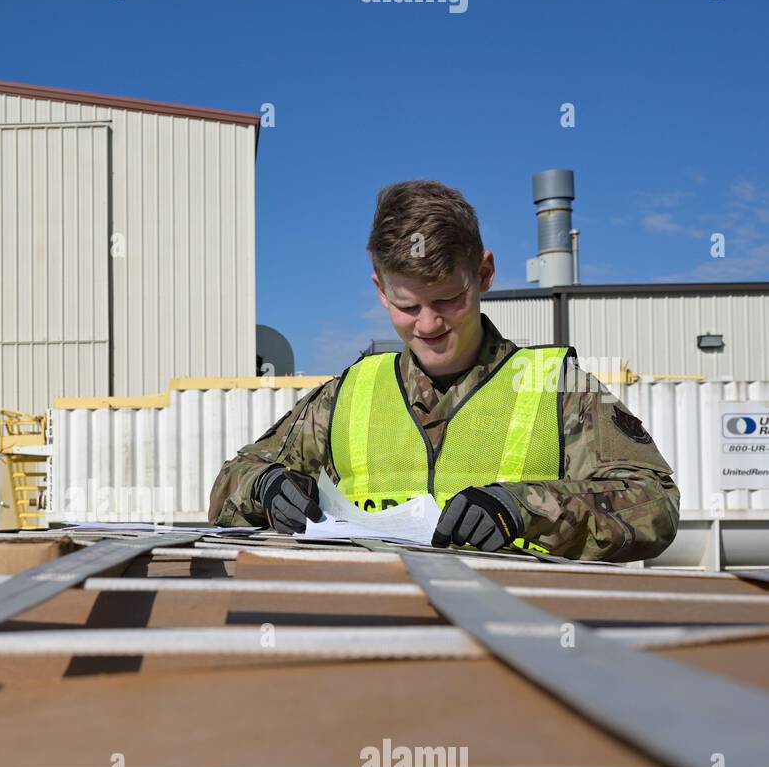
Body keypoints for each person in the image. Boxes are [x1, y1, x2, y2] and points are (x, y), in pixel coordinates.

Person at [209, 180, 679, 561]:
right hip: (371, 639)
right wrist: (267, 489)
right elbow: (233, 479)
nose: (429, 324)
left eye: (449, 299)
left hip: (520, 640)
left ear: (485, 273)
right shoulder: (348, 394)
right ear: (380, 289)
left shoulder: (556, 386)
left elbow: (653, 503)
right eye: (407, 305)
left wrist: (524, 508)